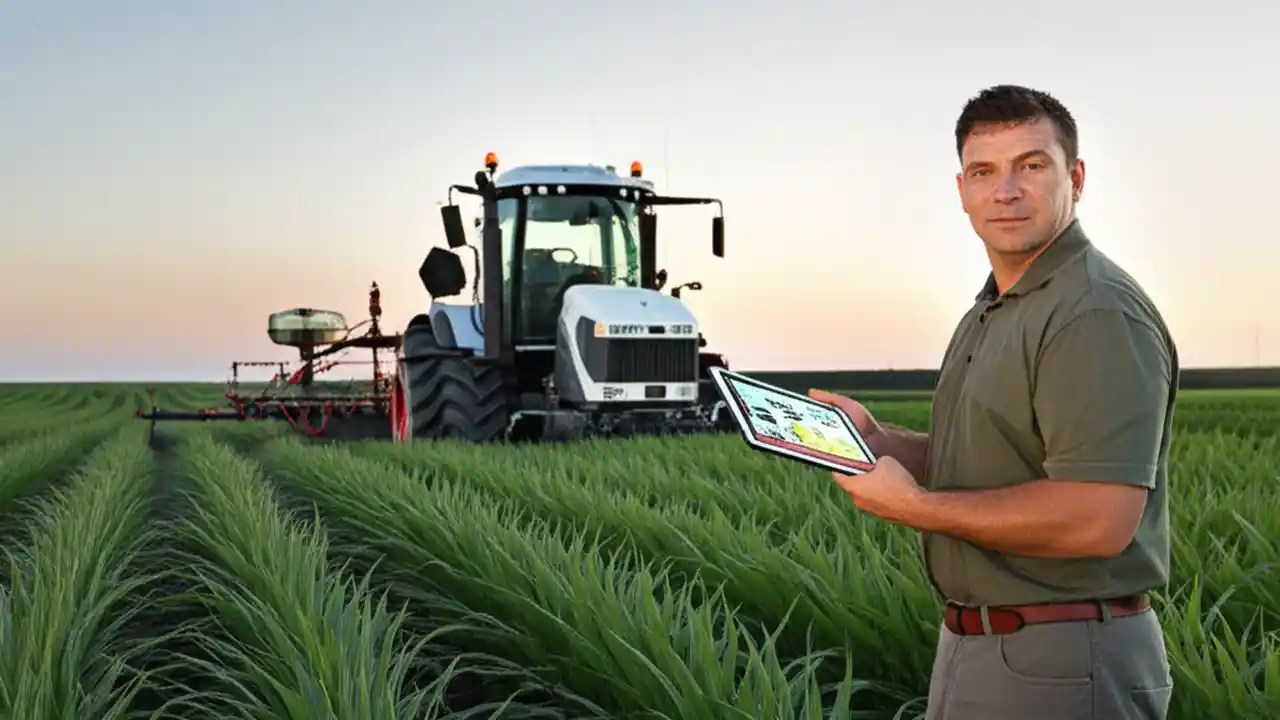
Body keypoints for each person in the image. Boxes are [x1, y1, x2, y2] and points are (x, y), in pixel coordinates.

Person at [811, 84, 1178, 719]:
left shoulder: (1092, 310)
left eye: (1031, 165)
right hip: (987, 647)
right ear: (962, 191)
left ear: (1077, 177)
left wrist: (918, 509)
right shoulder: (994, 308)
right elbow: (990, 459)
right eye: (984, 171)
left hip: (1063, 659)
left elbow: (1099, 517)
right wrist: (876, 439)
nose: (1005, 191)